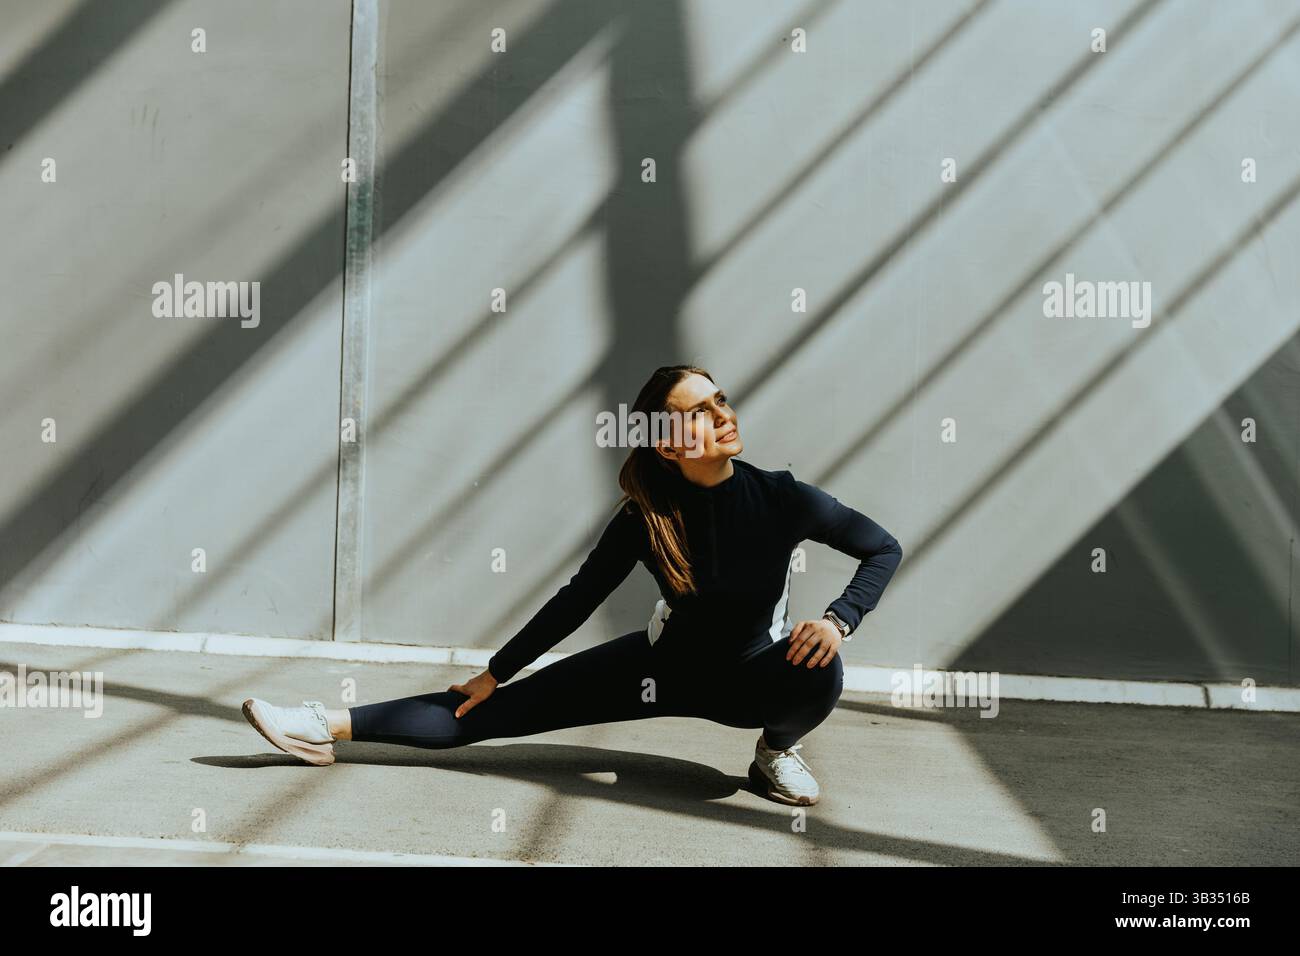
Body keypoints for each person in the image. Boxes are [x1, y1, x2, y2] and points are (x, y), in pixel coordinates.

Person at [242, 365, 903, 805]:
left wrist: (839, 616)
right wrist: (496, 672)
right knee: (484, 717)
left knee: (821, 668)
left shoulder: (784, 499)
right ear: (669, 445)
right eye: (700, 412)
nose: (722, 414)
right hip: (659, 669)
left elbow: (881, 547)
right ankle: (317, 723)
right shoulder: (647, 518)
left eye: (719, 400)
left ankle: (774, 754)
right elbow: (576, 601)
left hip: (753, 676)